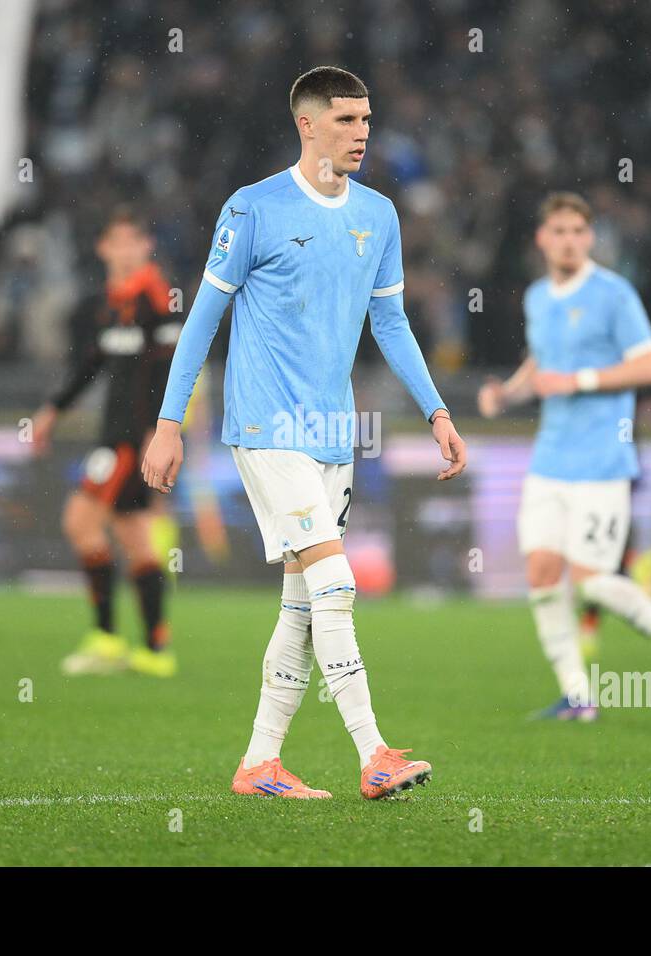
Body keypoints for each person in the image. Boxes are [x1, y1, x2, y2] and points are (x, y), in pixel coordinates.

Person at [141, 66, 467, 799]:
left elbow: (390, 322)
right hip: (265, 427)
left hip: (331, 434)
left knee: (300, 601)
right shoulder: (252, 208)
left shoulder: (378, 215)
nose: (361, 133)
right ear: (307, 124)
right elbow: (203, 318)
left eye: (366, 120)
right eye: (346, 120)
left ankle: (261, 762)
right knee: (336, 582)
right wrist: (168, 423)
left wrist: (437, 412)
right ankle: (373, 752)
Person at [478, 191, 651, 720]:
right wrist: (509, 392)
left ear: (591, 238)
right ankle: (578, 695)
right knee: (540, 571)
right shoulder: (537, 297)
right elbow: (543, 362)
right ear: (542, 239)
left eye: (579, 232)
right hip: (549, 459)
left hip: (603, 460)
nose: (569, 241)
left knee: (591, 579)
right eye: (559, 231)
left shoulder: (613, 293)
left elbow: (648, 368)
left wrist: (579, 380)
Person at [32, 207, 179, 678]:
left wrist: (163, 428)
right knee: (135, 536)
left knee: (79, 521)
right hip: (114, 435)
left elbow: (171, 367)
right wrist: (53, 409)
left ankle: (107, 638)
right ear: (104, 249)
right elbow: (88, 366)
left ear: (145, 246)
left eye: (134, 240)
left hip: (130, 440)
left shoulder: (161, 299)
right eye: (117, 241)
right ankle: (156, 651)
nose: (126, 249)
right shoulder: (106, 304)